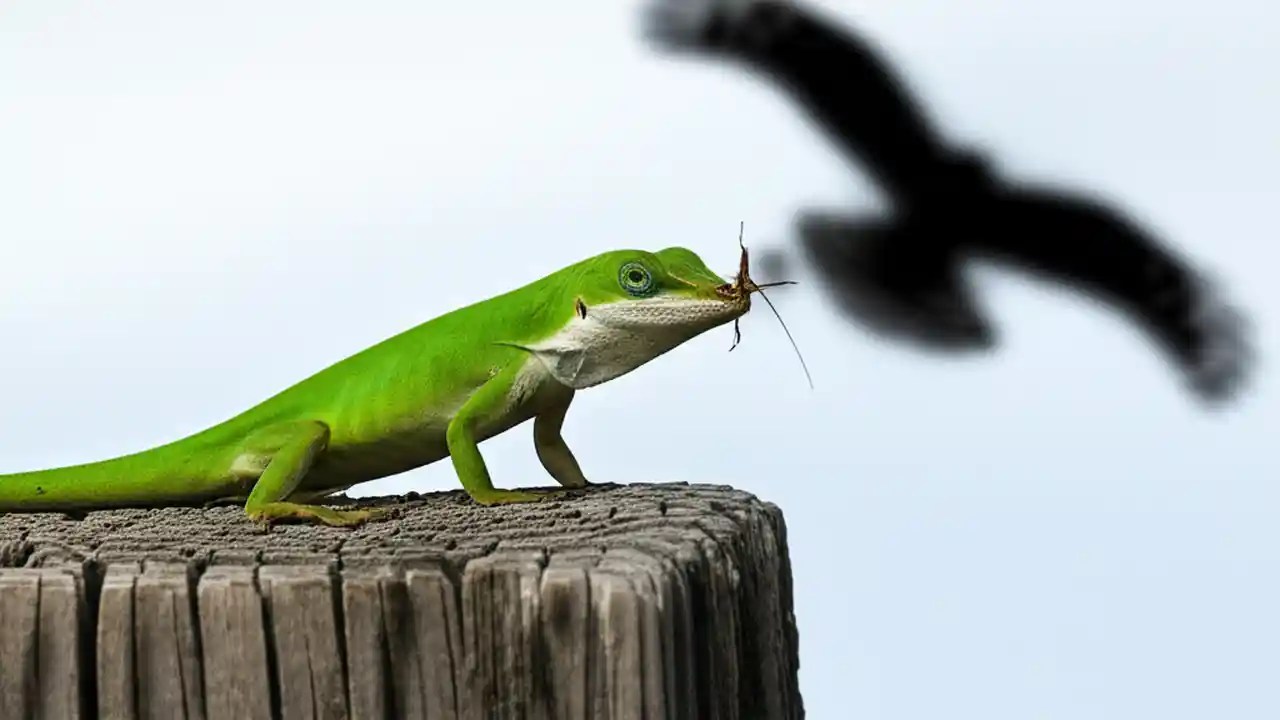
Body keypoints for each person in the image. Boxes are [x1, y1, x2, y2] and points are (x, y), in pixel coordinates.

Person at [640, 0, 1252, 403]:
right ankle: (1190, 334)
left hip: (908, 265)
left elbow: (1130, 266)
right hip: (897, 261)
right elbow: (830, 64)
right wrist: (732, 30)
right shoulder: (969, 194)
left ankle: (1190, 336)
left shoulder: (952, 185)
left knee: (1101, 240)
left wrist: (1188, 334)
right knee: (853, 78)